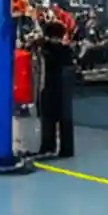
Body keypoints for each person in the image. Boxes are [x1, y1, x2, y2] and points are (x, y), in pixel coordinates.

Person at [38, 20, 75, 159]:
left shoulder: (48, 50)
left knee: (48, 118)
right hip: (64, 88)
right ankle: (67, 149)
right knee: (65, 119)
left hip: (51, 86)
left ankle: (48, 146)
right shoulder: (66, 51)